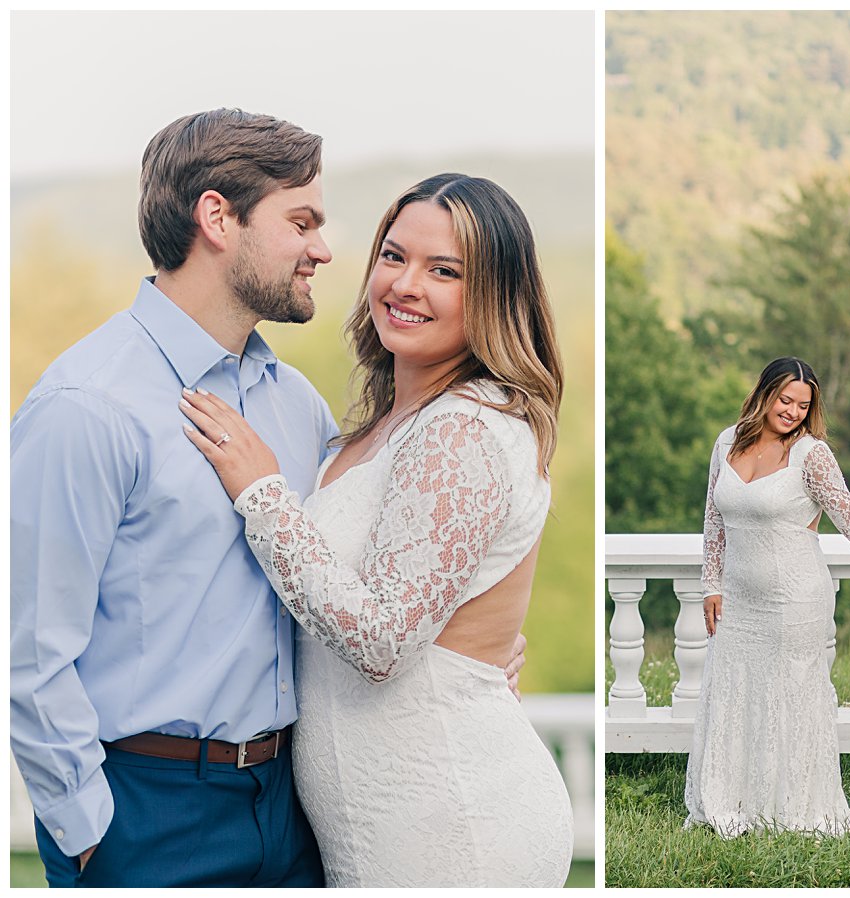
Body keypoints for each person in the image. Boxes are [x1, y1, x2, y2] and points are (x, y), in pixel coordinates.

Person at [9, 109, 526, 888]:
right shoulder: (88, 406)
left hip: (296, 811)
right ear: (218, 218)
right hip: (148, 812)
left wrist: (467, 658)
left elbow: (337, 574)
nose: (324, 248)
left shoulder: (298, 406)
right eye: (302, 221)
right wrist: (89, 833)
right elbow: (31, 653)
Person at [178, 173, 574, 887]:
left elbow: (382, 642)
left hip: (452, 820)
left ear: (495, 294)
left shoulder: (465, 428)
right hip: (379, 823)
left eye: (445, 271)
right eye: (394, 256)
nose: (406, 284)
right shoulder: (385, 426)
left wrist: (263, 492)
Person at [685, 357, 850, 838]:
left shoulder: (811, 454)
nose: (793, 411)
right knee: (736, 696)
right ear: (764, 393)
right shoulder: (726, 442)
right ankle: (736, 799)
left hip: (794, 599)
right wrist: (711, 583)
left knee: (789, 700)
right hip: (737, 600)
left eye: (803, 404)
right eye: (785, 399)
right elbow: (714, 519)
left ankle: (791, 804)